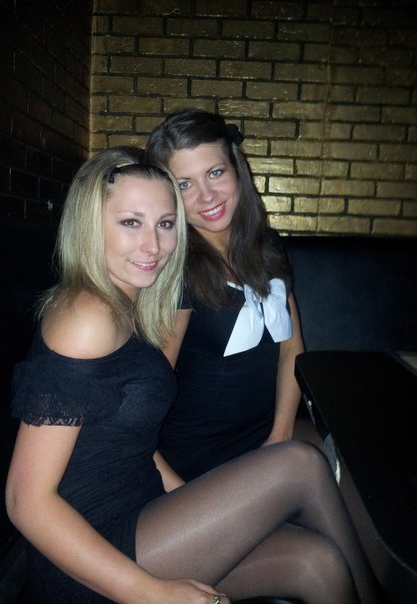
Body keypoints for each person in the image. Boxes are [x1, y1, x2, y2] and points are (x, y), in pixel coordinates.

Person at [5, 147, 381, 604]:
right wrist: (150, 593)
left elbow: (133, 442)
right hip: (92, 546)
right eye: (131, 222)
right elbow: (26, 501)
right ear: (90, 225)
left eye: (165, 224)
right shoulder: (86, 317)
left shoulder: (133, 306)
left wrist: (205, 505)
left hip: (144, 511)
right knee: (300, 463)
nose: (153, 245)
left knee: (317, 563)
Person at [145, 109, 314, 482]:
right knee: (309, 471)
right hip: (196, 465)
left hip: (263, 438)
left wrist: (279, 437)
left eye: (215, 173)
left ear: (237, 168)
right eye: (184, 184)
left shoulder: (266, 245)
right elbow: (142, 403)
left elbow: (291, 348)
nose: (206, 196)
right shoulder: (175, 272)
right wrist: (177, 491)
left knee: (356, 463)